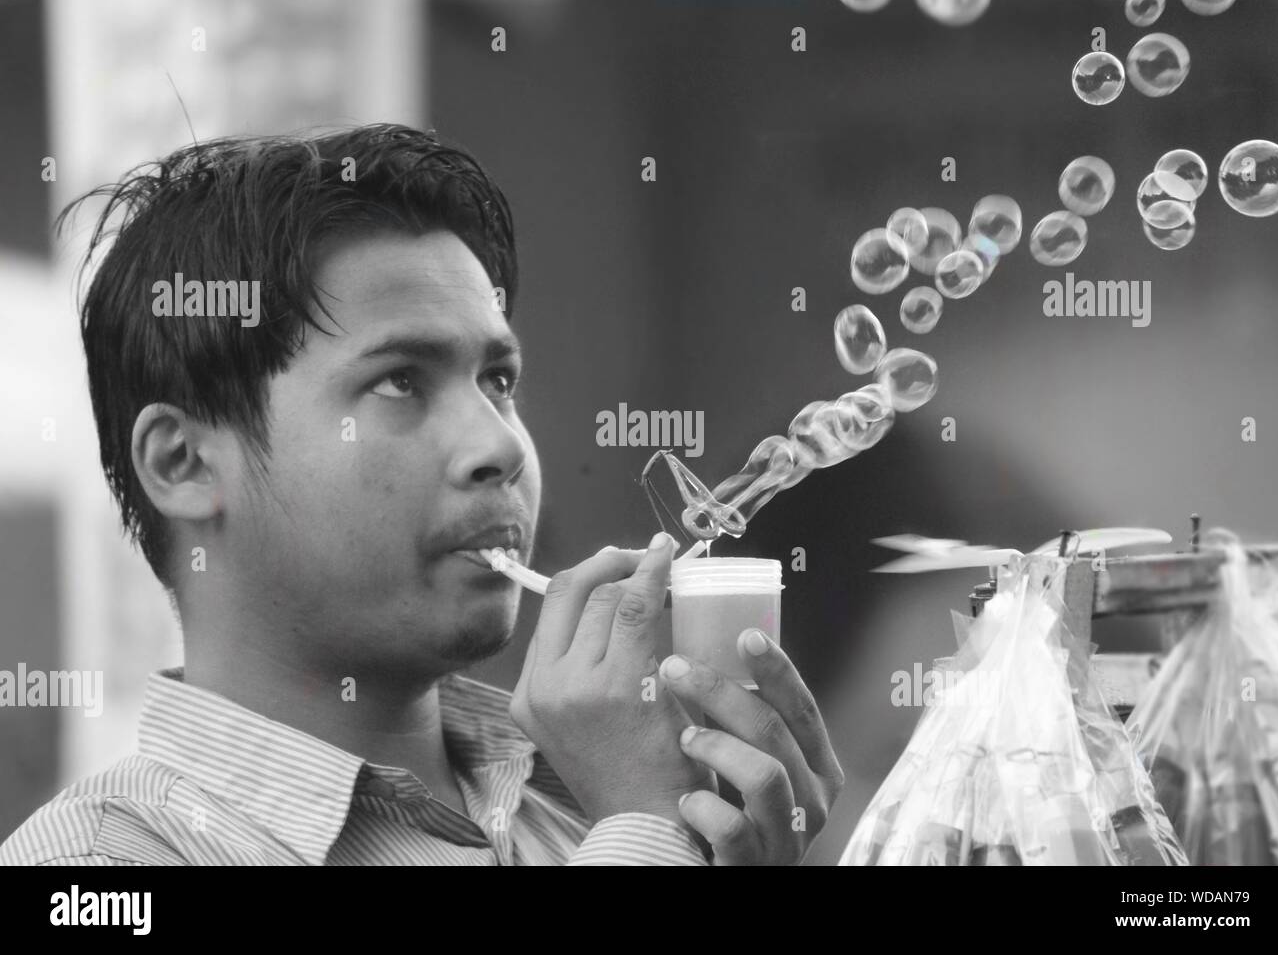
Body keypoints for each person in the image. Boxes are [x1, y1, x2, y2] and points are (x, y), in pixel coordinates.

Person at [0, 124, 842, 866]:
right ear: (182, 463)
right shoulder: (99, 862)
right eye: (400, 381)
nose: (502, 445)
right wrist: (647, 834)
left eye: (498, 379)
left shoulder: (605, 798)